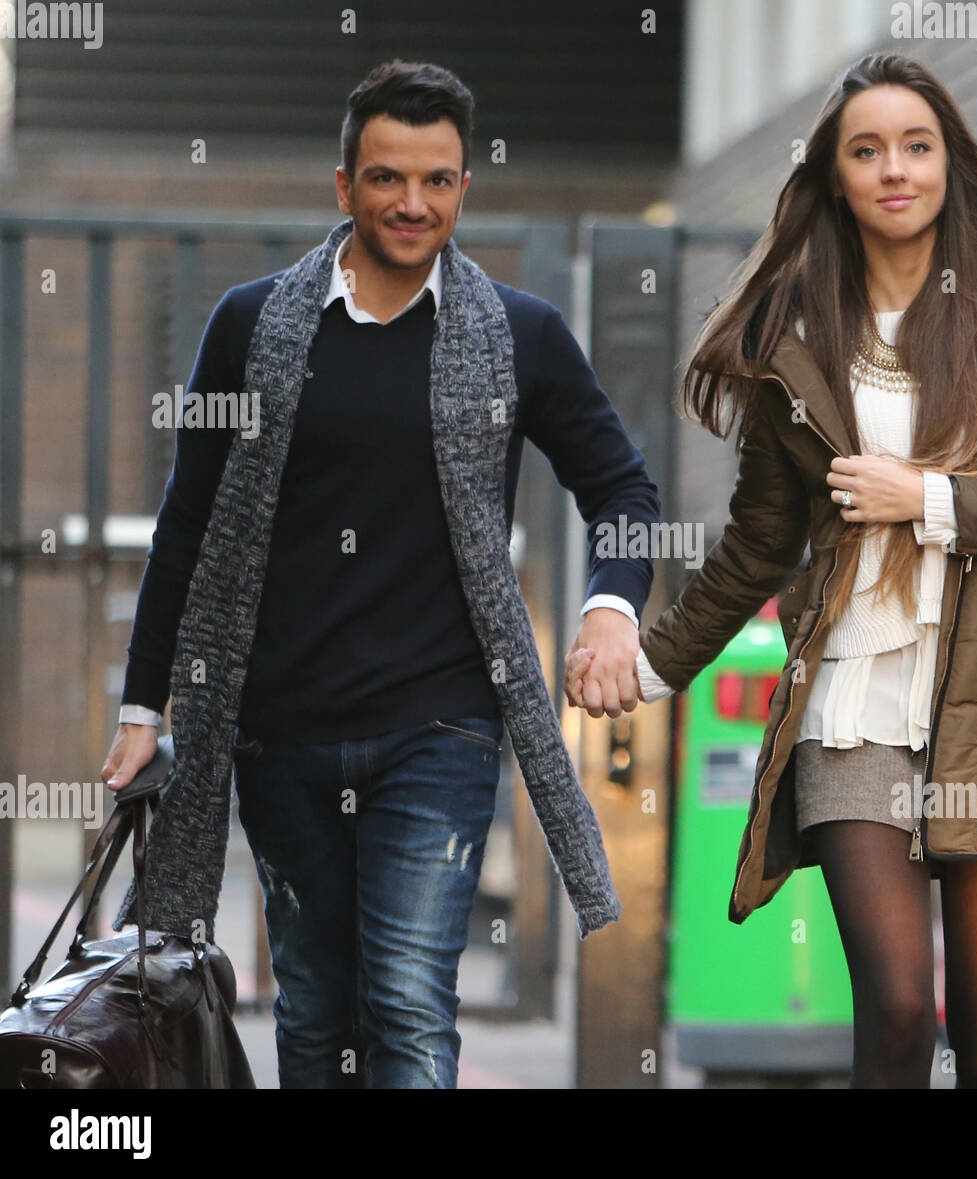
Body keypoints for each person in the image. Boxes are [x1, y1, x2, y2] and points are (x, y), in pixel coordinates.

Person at [566, 52, 977, 1088]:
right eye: (866, 151)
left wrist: (929, 499)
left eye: (916, 146)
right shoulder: (796, 341)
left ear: (951, 163)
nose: (895, 169)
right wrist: (648, 669)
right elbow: (756, 545)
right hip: (852, 703)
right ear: (834, 176)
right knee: (898, 1011)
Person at [101, 59, 657, 1089]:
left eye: (437, 180)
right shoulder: (251, 326)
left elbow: (622, 488)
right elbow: (187, 523)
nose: (413, 202)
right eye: (388, 177)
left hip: (439, 725)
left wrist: (612, 610)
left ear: (464, 188)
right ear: (344, 184)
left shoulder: (520, 334)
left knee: (406, 1001)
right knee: (315, 1011)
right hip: (281, 726)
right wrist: (143, 704)